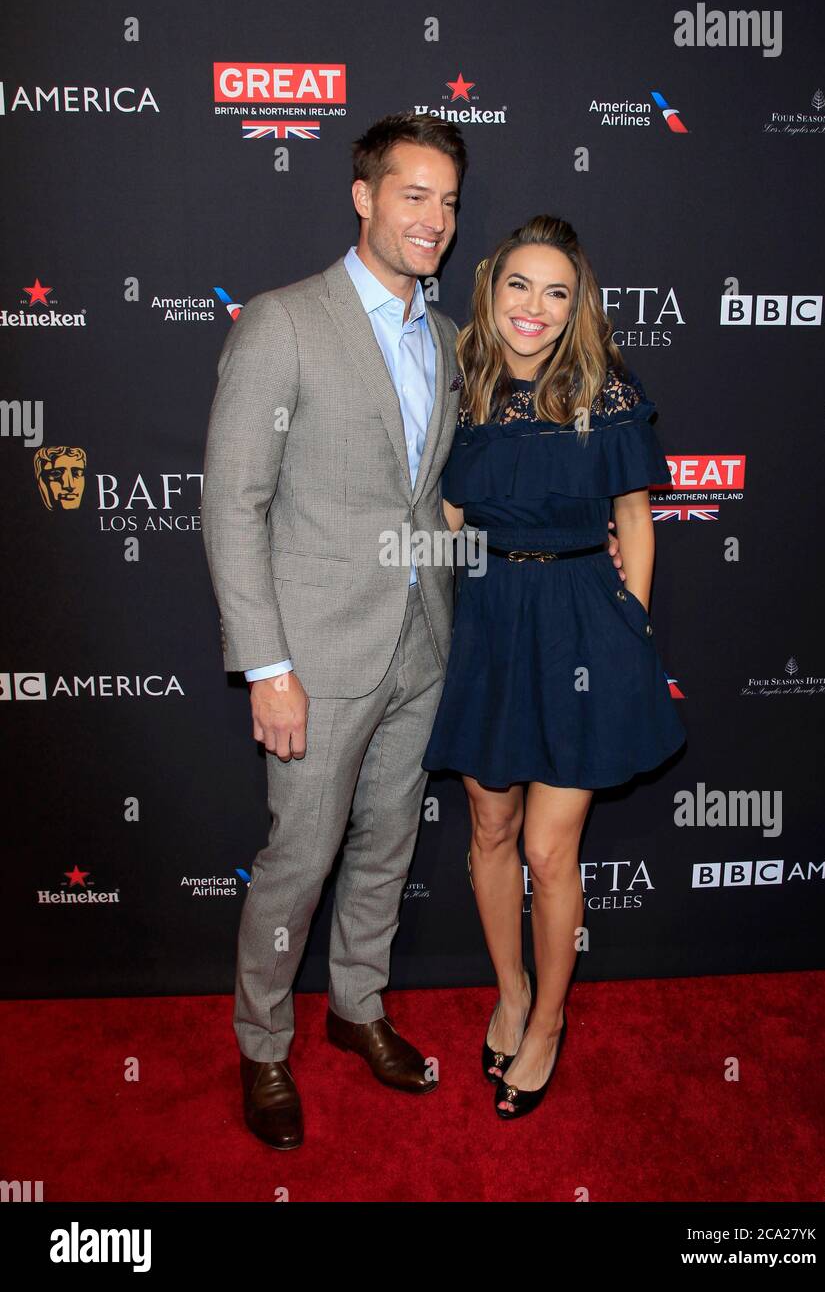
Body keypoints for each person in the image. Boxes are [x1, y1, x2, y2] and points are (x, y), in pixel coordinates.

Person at [200, 112, 472, 1149]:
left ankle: (357, 1004)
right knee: (297, 860)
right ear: (361, 196)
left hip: (419, 642)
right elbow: (233, 505)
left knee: (385, 846)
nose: (433, 220)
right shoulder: (282, 322)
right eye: (413, 195)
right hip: (314, 653)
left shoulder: (444, 340)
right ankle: (262, 1043)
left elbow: (423, 497)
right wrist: (268, 666)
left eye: (447, 202)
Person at [421, 214, 687, 1119]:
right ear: (491, 292)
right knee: (491, 833)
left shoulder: (605, 393)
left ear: (578, 308)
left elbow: (638, 525)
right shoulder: (458, 390)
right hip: (488, 623)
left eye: (556, 292)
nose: (533, 308)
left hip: (583, 623)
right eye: (518, 287)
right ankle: (511, 993)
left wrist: (629, 630)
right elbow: (446, 520)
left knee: (547, 846)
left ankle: (550, 1021)